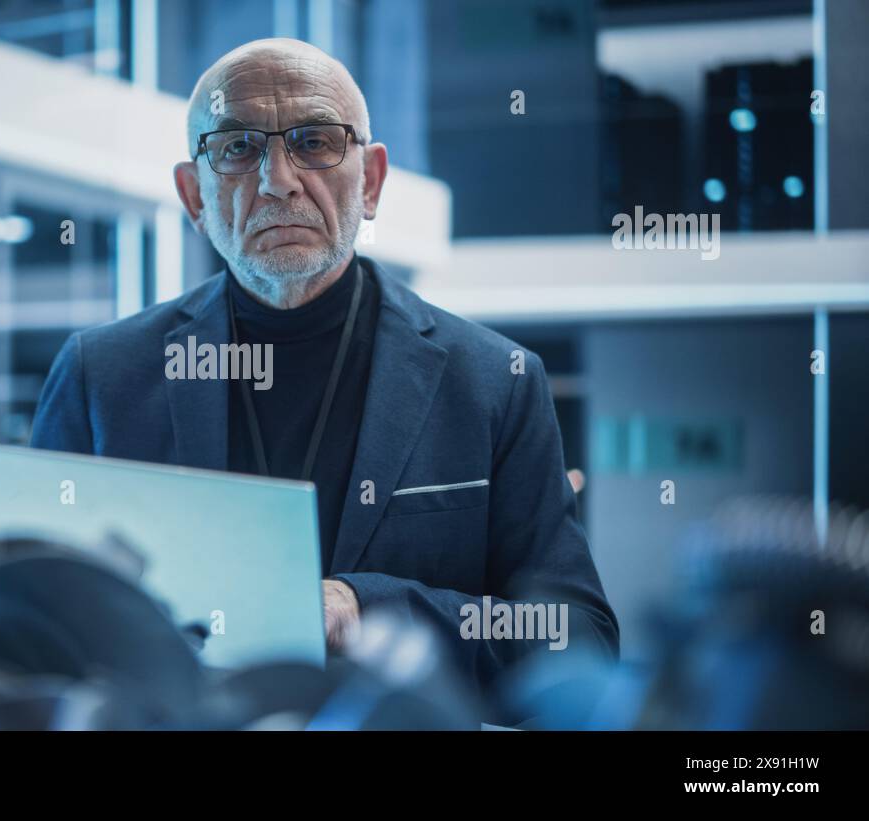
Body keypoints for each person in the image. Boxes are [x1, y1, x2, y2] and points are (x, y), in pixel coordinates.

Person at [31, 38, 618, 693]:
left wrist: (364, 610)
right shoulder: (101, 377)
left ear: (369, 181)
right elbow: (32, 621)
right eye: (238, 147)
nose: (278, 180)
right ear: (194, 197)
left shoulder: (494, 381)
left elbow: (576, 638)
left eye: (314, 142)